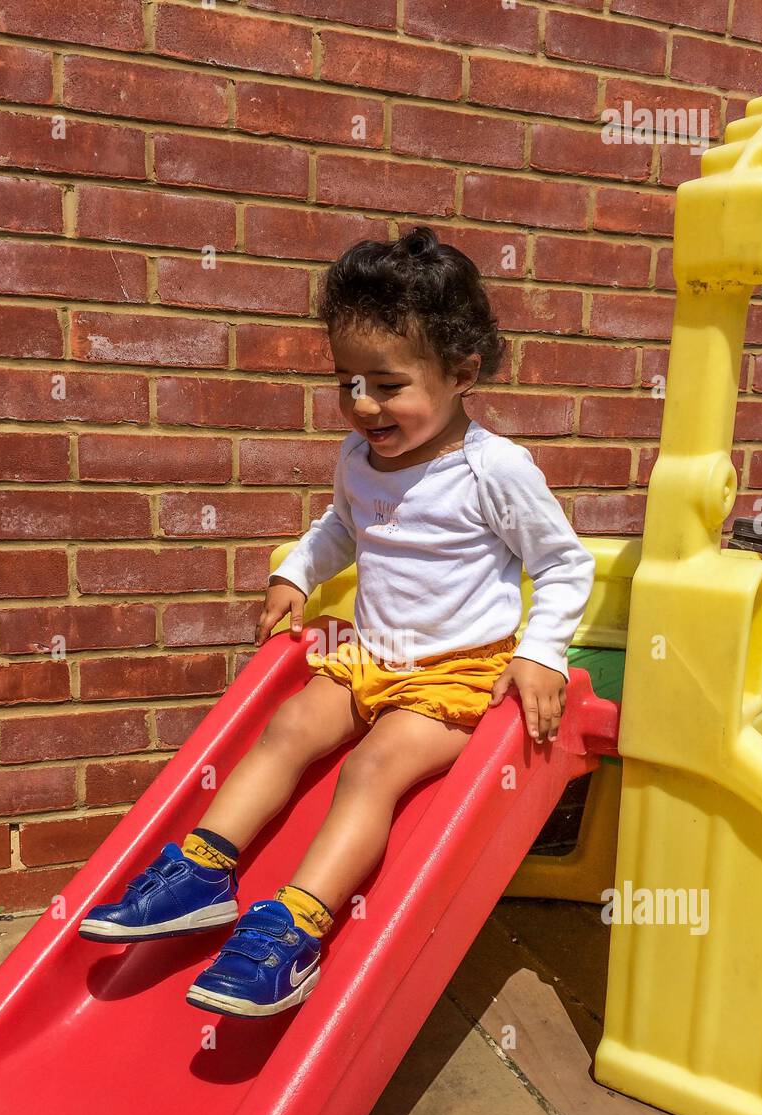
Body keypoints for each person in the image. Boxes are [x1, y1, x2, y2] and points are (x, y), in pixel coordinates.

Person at [79, 226, 595, 1018]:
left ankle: (294, 926)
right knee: (288, 726)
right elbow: (340, 530)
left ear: (461, 373)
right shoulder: (358, 460)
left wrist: (543, 653)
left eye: (386, 385)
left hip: (457, 674)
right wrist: (297, 569)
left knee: (370, 769)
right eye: (346, 382)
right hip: (371, 657)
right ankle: (203, 873)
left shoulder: (494, 470)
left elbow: (562, 564)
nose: (362, 404)